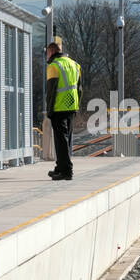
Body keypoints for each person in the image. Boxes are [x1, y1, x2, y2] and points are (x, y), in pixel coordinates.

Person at [45, 36, 81, 180]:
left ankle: (66, 171)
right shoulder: (75, 64)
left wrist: (49, 110)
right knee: (66, 139)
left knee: (61, 140)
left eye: (47, 53)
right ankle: (60, 167)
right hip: (72, 106)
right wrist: (77, 105)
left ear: (51, 52)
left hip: (59, 107)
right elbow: (80, 89)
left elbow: (51, 90)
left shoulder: (54, 66)